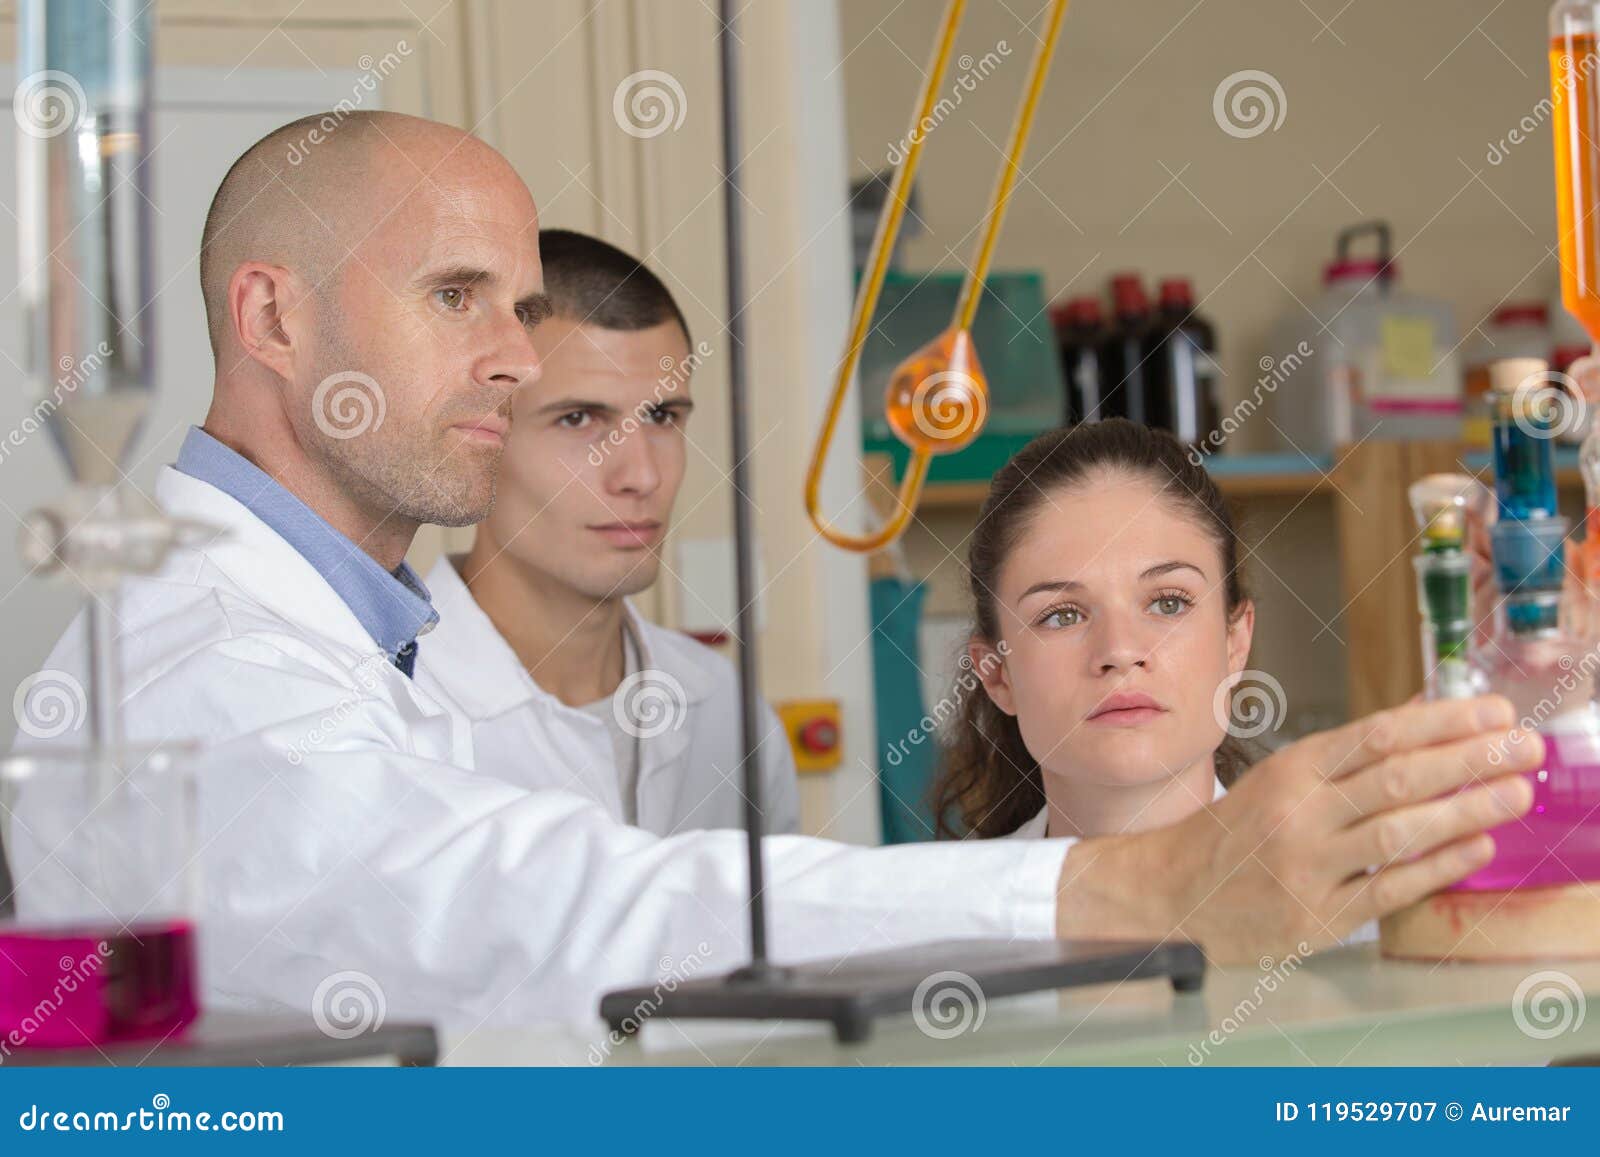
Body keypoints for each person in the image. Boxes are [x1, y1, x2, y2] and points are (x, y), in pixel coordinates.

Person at [8, 111, 1540, 1029]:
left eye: (522, 304)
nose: (511, 357)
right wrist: (1120, 887)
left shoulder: (344, 640)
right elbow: (523, 913)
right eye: (457, 295)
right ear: (273, 322)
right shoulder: (195, 655)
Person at [416, 229, 798, 836]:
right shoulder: (390, 713)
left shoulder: (724, 708)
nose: (641, 475)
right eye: (578, 419)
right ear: (476, 438)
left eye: (663, 417)